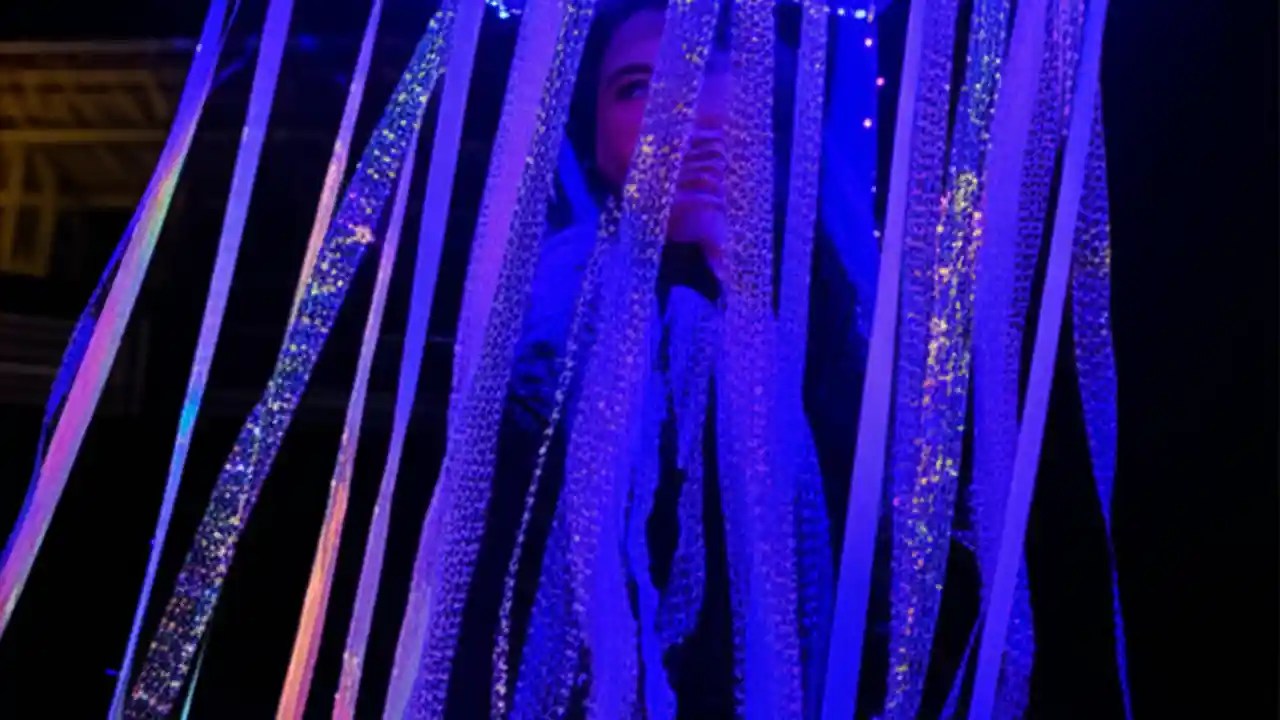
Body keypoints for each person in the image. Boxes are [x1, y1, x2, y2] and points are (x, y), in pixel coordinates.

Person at [449, 2, 870, 716]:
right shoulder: (542, 305)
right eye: (637, 88)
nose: (681, 111)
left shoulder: (840, 306)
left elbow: (869, 517)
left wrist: (738, 280)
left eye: (708, 71)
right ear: (592, 142)